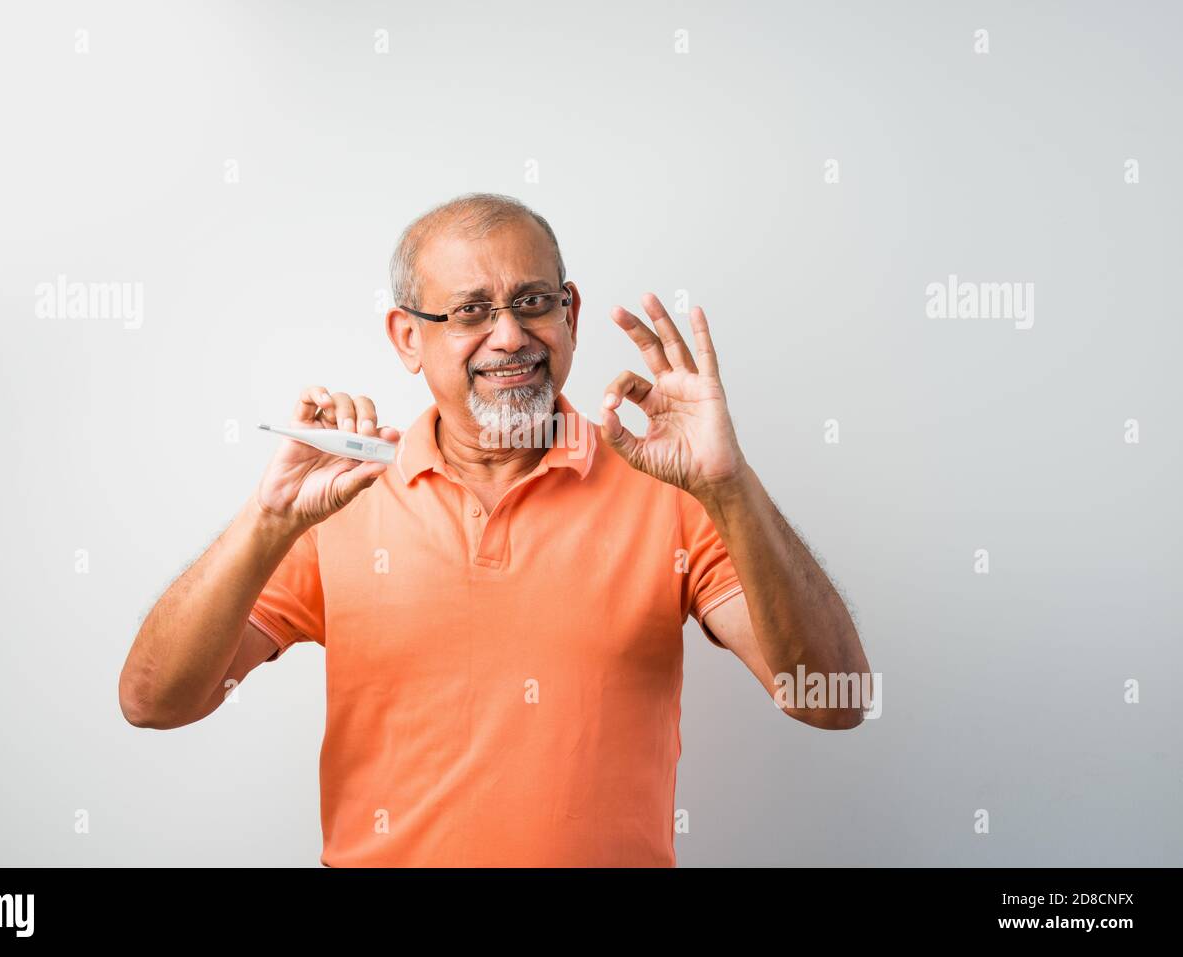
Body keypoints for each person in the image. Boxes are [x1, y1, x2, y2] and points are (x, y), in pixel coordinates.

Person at [119, 192, 872, 866]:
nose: (509, 335)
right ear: (408, 339)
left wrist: (730, 487)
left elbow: (833, 699)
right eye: (470, 310)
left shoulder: (670, 490)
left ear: (570, 314)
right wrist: (267, 520)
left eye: (533, 302)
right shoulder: (337, 498)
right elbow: (155, 701)